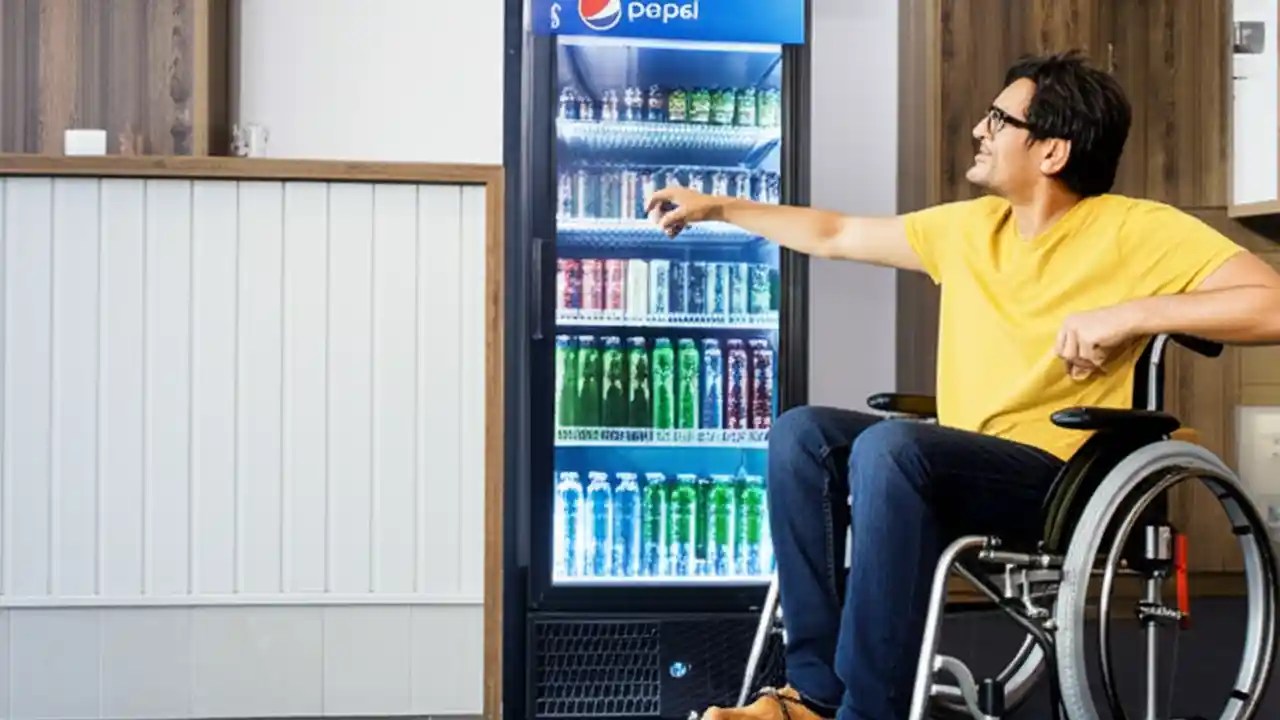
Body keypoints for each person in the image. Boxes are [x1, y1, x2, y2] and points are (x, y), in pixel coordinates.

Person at [645, 51, 1280, 720]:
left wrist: (1132, 314)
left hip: (1061, 480)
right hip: (958, 464)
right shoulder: (970, 228)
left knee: (892, 449)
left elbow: (1270, 303)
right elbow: (835, 233)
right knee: (802, 434)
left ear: (1053, 151)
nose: (980, 129)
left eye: (999, 120)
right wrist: (720, 207)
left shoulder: (1136, 230)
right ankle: (812, 697)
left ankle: (873, 712)